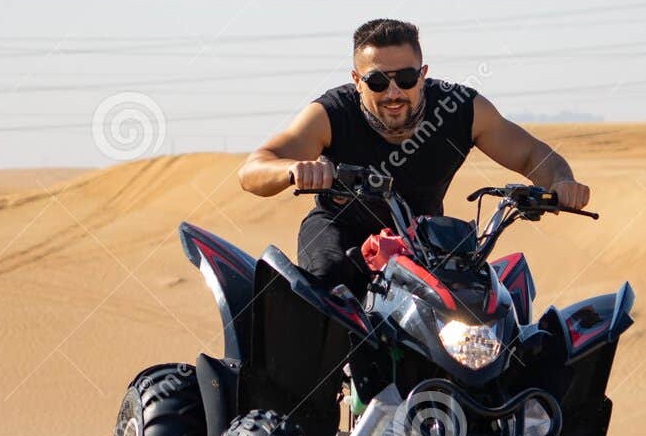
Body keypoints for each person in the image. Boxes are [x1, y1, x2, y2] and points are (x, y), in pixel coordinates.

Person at [238, 18, 590, 292]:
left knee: (479, 299)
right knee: (327, 291)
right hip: (340, 233)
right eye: (377, 82)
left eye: (406, 78)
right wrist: (292, 170)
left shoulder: (460, 108)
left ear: (423, 75)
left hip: (425, 239)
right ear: (356, 80)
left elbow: (530, 153)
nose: (393, 92)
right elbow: (252, 170)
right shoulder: (330, 114)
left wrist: (561, 181)